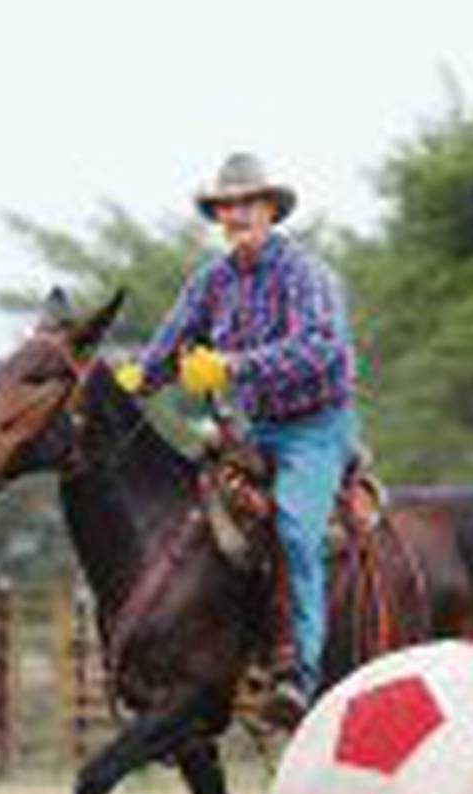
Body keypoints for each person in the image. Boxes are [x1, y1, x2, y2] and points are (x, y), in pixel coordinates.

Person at [115, 152, 358, 726]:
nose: (236, 214)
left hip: (315, 428)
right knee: (195, 525)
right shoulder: (212, 281)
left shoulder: (305, 274)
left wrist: (231, 368)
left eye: (247, 203)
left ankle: (303, 673)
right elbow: (171, 343)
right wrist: (135, 379)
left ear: (270, 210)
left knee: (297, 531)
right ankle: (219, 658)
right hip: (253, 432)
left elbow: (321, 348)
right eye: (227, 205)